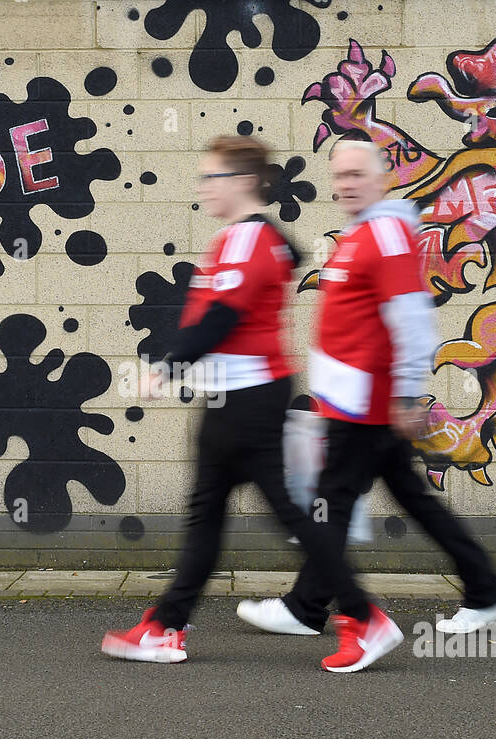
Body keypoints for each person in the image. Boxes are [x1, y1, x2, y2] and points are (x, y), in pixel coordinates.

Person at [101, 135, 404, 672]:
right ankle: (166, 626)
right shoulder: (246, 239)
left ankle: (365, 618)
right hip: (235, 400)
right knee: (210, 515)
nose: (202, 189)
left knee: (284, 512)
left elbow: (223, 315)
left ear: (242, 182)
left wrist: (166, 366)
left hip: (246, 402)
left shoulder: (245, 239)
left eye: (210, 178)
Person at [236, 139, 496, 639]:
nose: (345, 183)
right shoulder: (362, 232)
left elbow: (411, 319)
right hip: (357, 402)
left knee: (333, 500)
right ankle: (486, 591)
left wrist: (407, 394)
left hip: (370, 405)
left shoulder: (385, 233)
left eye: (356, 174)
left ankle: (308, 607)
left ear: (381, 178)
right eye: (339, 175)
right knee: (395, 498)